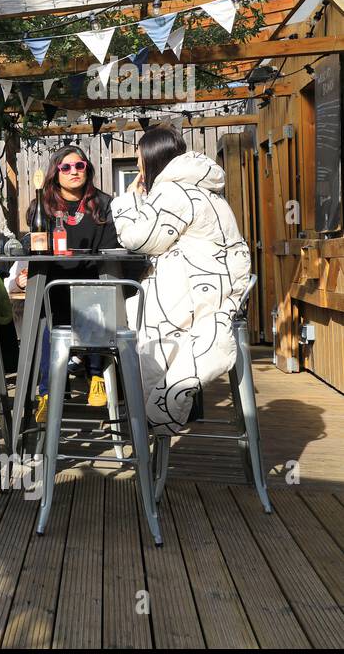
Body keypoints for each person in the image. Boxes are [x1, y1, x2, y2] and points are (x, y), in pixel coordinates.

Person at [111, 127, 252, 433]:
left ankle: (143, 417)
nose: (137, 167)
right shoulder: (202, 189)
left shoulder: (175, 192)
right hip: (219, 294)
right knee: (135, 310)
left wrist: (127, 201)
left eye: (139, 159)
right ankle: (145, 413)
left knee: (127, 324)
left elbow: (139, 239)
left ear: (152, 159)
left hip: (195, 302)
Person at [19, 146, 120, 422]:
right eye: (66, 167)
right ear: (56, 173)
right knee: (50, 317)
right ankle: (47, 393)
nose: (74, 171)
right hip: (55, 288)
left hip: (92, 287)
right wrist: (27, 270)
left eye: (80, 166)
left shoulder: (104, 204)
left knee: (92, 299)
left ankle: (95, 375)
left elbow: (109, 249)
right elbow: (36, 247)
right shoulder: (43, 207)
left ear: (87, 169)